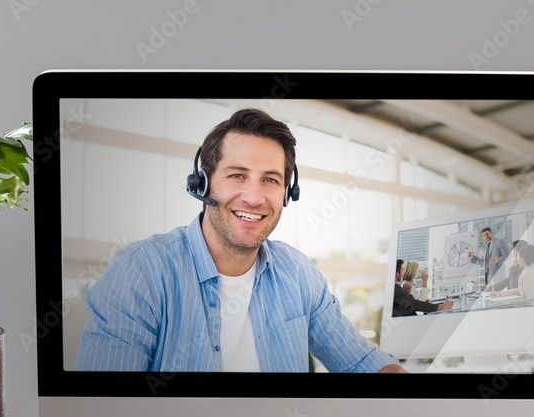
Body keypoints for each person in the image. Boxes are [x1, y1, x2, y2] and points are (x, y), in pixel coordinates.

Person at [77, 108, 406, 374]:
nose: (254, 197)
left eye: (270, 180)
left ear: (287, 194)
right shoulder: (142, 270)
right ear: (203, 183)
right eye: (237, 175)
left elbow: (360, 364)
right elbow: (103, 411)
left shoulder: (298, 274)